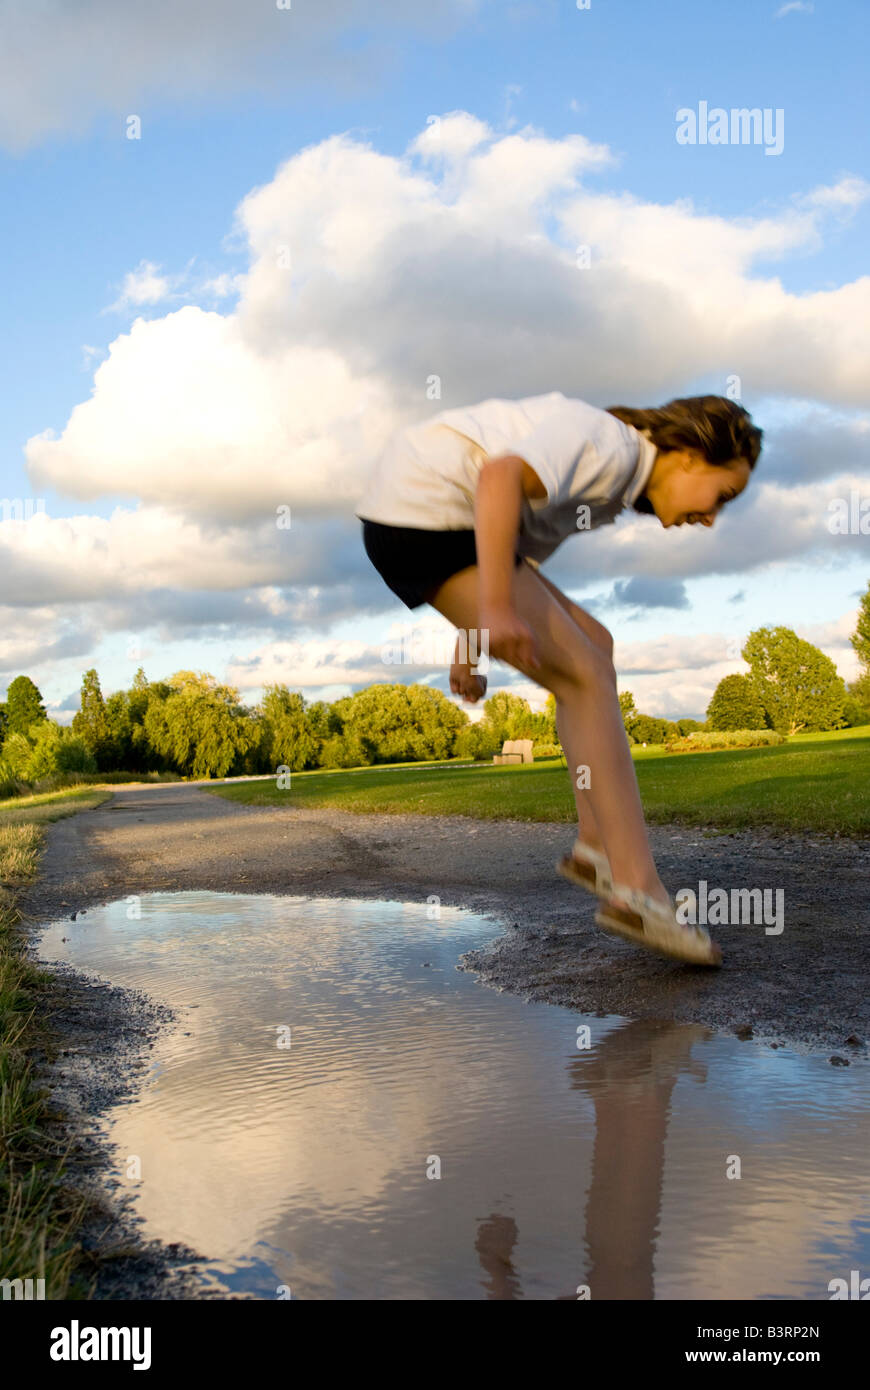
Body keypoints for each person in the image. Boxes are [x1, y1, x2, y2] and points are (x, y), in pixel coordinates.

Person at [356, 391, 763, 965]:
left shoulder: (608, 488)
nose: (713, 515)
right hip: (425, 512)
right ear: (692, 453)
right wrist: (494, 608)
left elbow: (510, 549)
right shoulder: (614, 448)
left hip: (426, 521)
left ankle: (598, 847)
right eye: (723, 494)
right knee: (586, 677)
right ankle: (637, 890)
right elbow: (497, 479)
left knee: (596, 646)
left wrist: (471, 638)